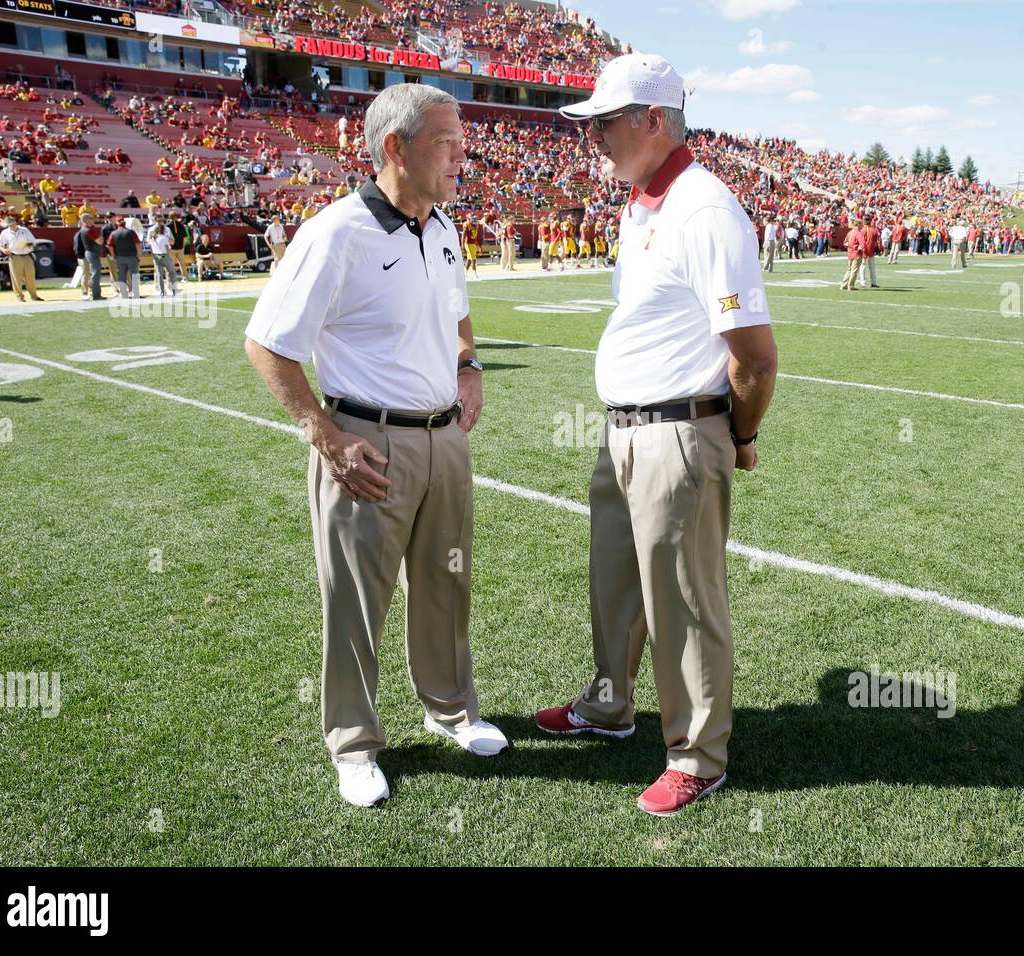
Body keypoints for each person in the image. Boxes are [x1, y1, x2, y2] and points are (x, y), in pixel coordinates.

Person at [244, 83, 507, 810]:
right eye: (447, 141)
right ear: (396, 146)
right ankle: (354, 743)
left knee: (447, 584)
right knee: (359, 601)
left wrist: (470, 368)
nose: (462, 154)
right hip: (366, 440)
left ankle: (452, 708)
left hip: (442, 436)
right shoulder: (335, 233)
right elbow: (267, 344)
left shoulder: (445, 227)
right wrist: (323, 435)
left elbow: (458, 314)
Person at [539, 53, 778, 817]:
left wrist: (735, 435)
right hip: (626, 431)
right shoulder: (641, 203)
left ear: (652, 120)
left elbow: (754, 357)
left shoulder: (703, 207)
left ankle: (698, 753)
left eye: (605, 122)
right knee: (615, 585)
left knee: (683, 602)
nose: (594, 138)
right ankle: (610, 705)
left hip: (679, 432)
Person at [0, 213, 42, 302]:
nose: (11, 225)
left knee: (30, 276)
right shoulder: (5, 232)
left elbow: (33, 242)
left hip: (27, 255)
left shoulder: (24, 230)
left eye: (12, 223)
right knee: (16, 277)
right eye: (9, 224)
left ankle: (34, 295)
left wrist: (25, 245)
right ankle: (19, 296)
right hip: (15, 256)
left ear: (15, 222)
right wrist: (4, 250)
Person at [108, 217, 142, 299]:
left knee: (122, 275)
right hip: (132, 257)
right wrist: (139, 255)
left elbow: (110, 245)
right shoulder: (131, 232)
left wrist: (113, 255)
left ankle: (123, 293)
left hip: (120, 257)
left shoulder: (113, 233)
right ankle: (135, 293)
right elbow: (138, 244)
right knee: (134, 275)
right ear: (125, 224)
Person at [72, 212, 104, 300]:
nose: (92, 220)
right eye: (90, 218)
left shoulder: (84, 229)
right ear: (85, 220)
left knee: (91, 273)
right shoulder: (88, 230)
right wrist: (101, 237)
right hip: (91, 253)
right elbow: (100, 241)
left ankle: (91, 293)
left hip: (87, 253)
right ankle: (95, 294)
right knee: (95, 274)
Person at [147, 217, 179, 296]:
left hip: (156, 254)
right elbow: (167, 247)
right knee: (172, 272)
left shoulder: (153, 237)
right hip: (164, 254)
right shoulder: (164, 237)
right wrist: (170, 256)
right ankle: (174, 289)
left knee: (160, 274)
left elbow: (150, 245)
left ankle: (162, 291)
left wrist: (153, 255)